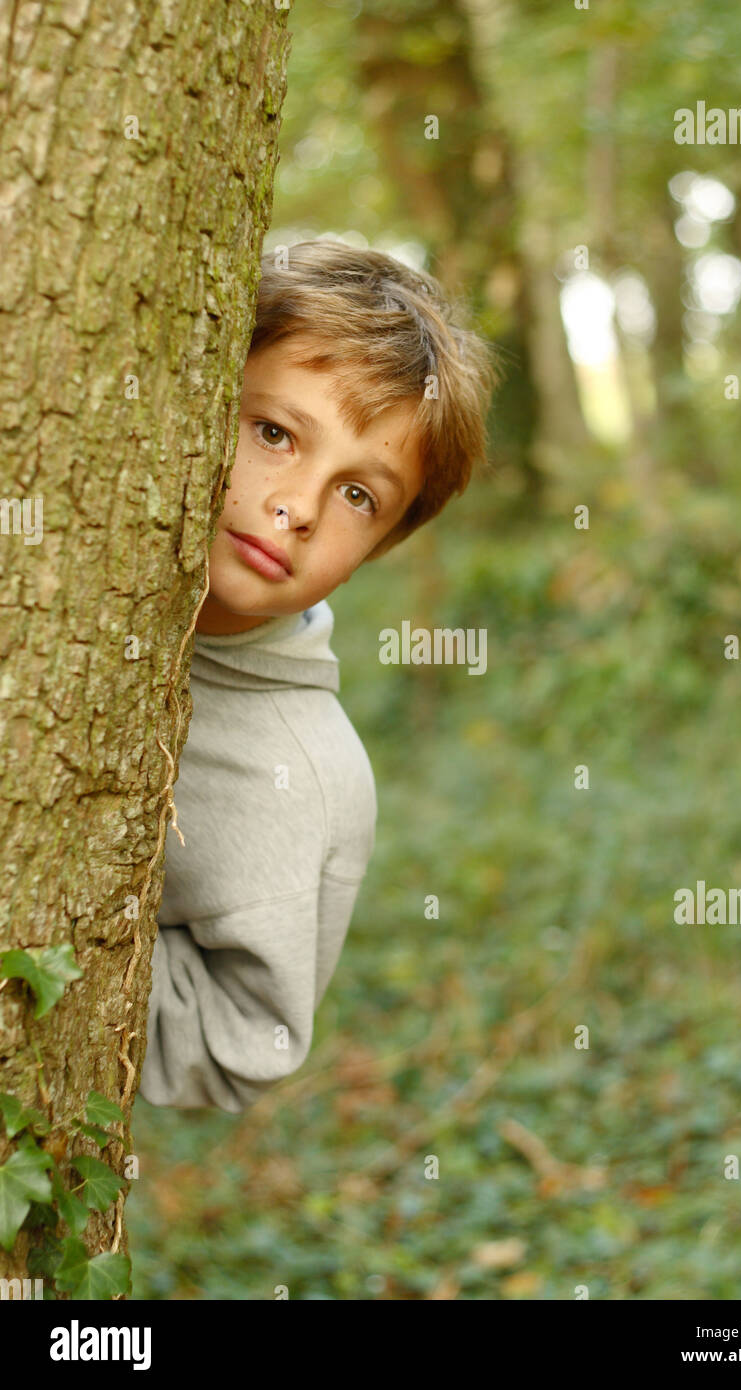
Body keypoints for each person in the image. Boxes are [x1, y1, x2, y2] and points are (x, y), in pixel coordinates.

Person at [138, 240, 499, 1111]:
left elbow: (243, 1044)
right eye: (273, 433)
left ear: (382, 544)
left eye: (357, 495)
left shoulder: (308, 781)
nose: (296, 507)